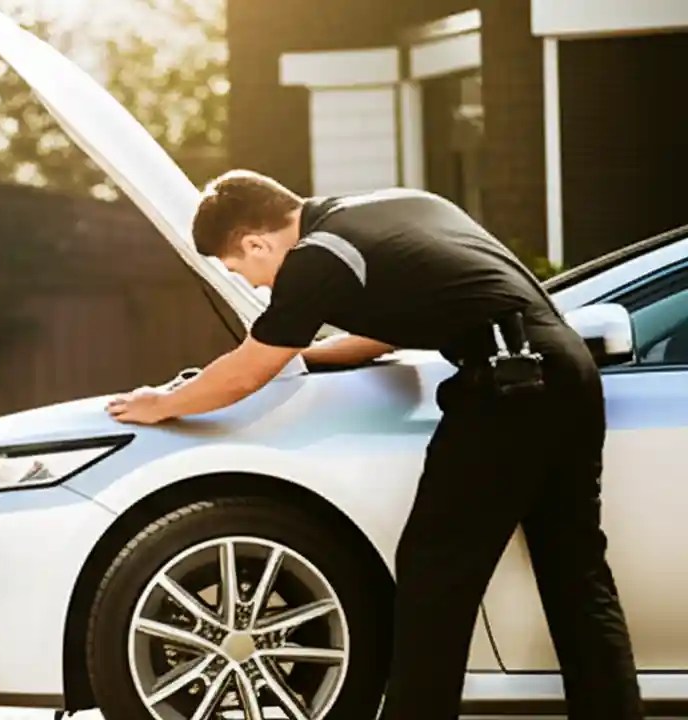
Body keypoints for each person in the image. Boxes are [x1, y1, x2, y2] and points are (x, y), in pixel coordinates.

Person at [107, 169, 644, 719]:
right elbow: (385, 333)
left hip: (505, 389)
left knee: (435, 576)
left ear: (255, 242)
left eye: (244, 271)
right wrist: (301, 357)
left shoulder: (318, 256)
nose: (259, 286)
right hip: (567, 371)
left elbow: (245, 372)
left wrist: (161, 402)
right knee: (576, 572)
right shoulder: (397, 210)